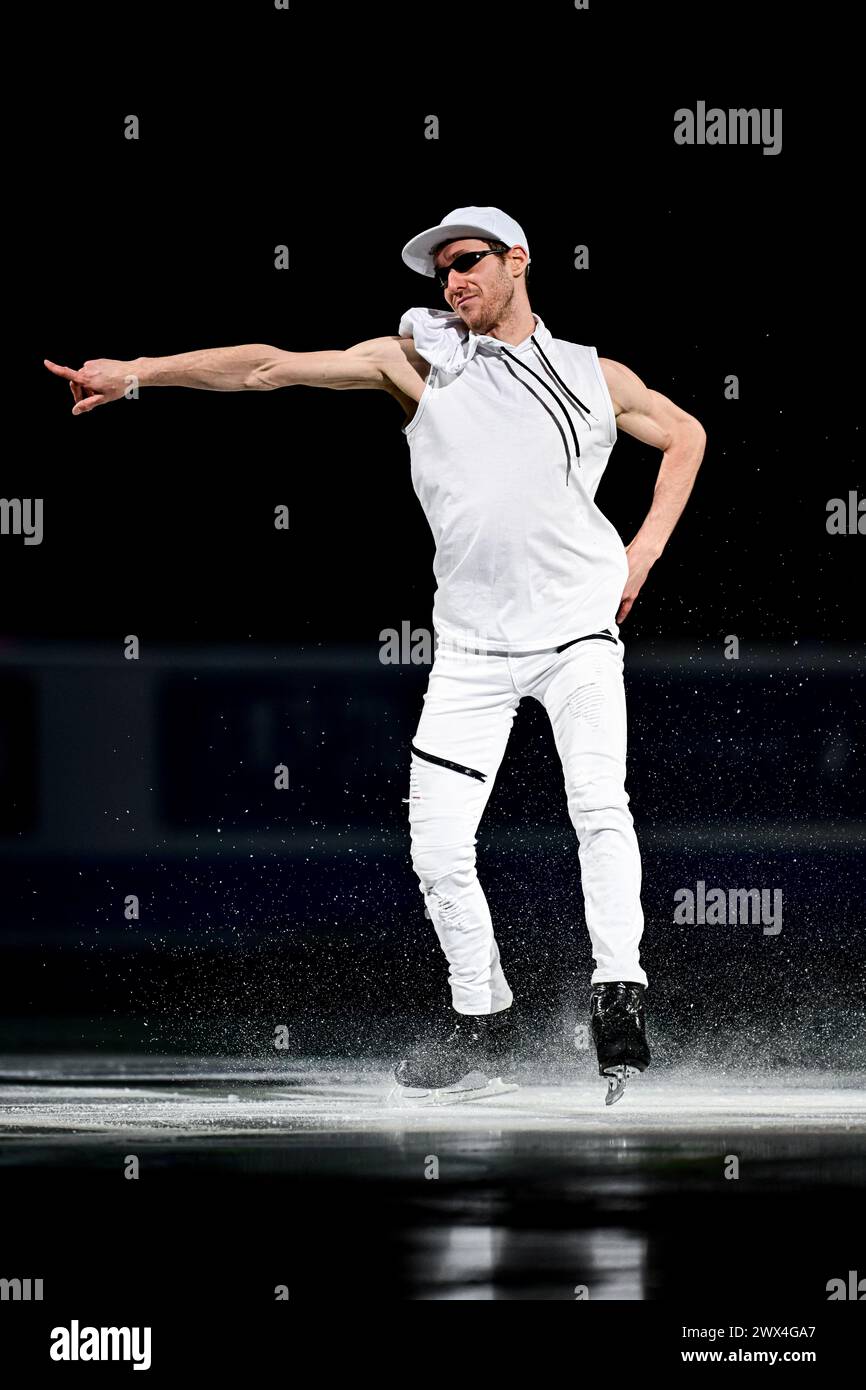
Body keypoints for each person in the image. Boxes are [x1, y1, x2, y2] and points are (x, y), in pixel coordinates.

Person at [44, 205, 706, 1105]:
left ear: (518, 260)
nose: (451, 280)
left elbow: (688, 435)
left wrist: (645, 550)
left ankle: (619, 992)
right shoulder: (420, 363)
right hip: (472, 646)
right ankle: (482, 1024)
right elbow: (269, 368)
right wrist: (139, 377)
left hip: (577, 631)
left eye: (467, 261)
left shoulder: (594, 374)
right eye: (440, 271)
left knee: (598, 804)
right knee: (436, 848)